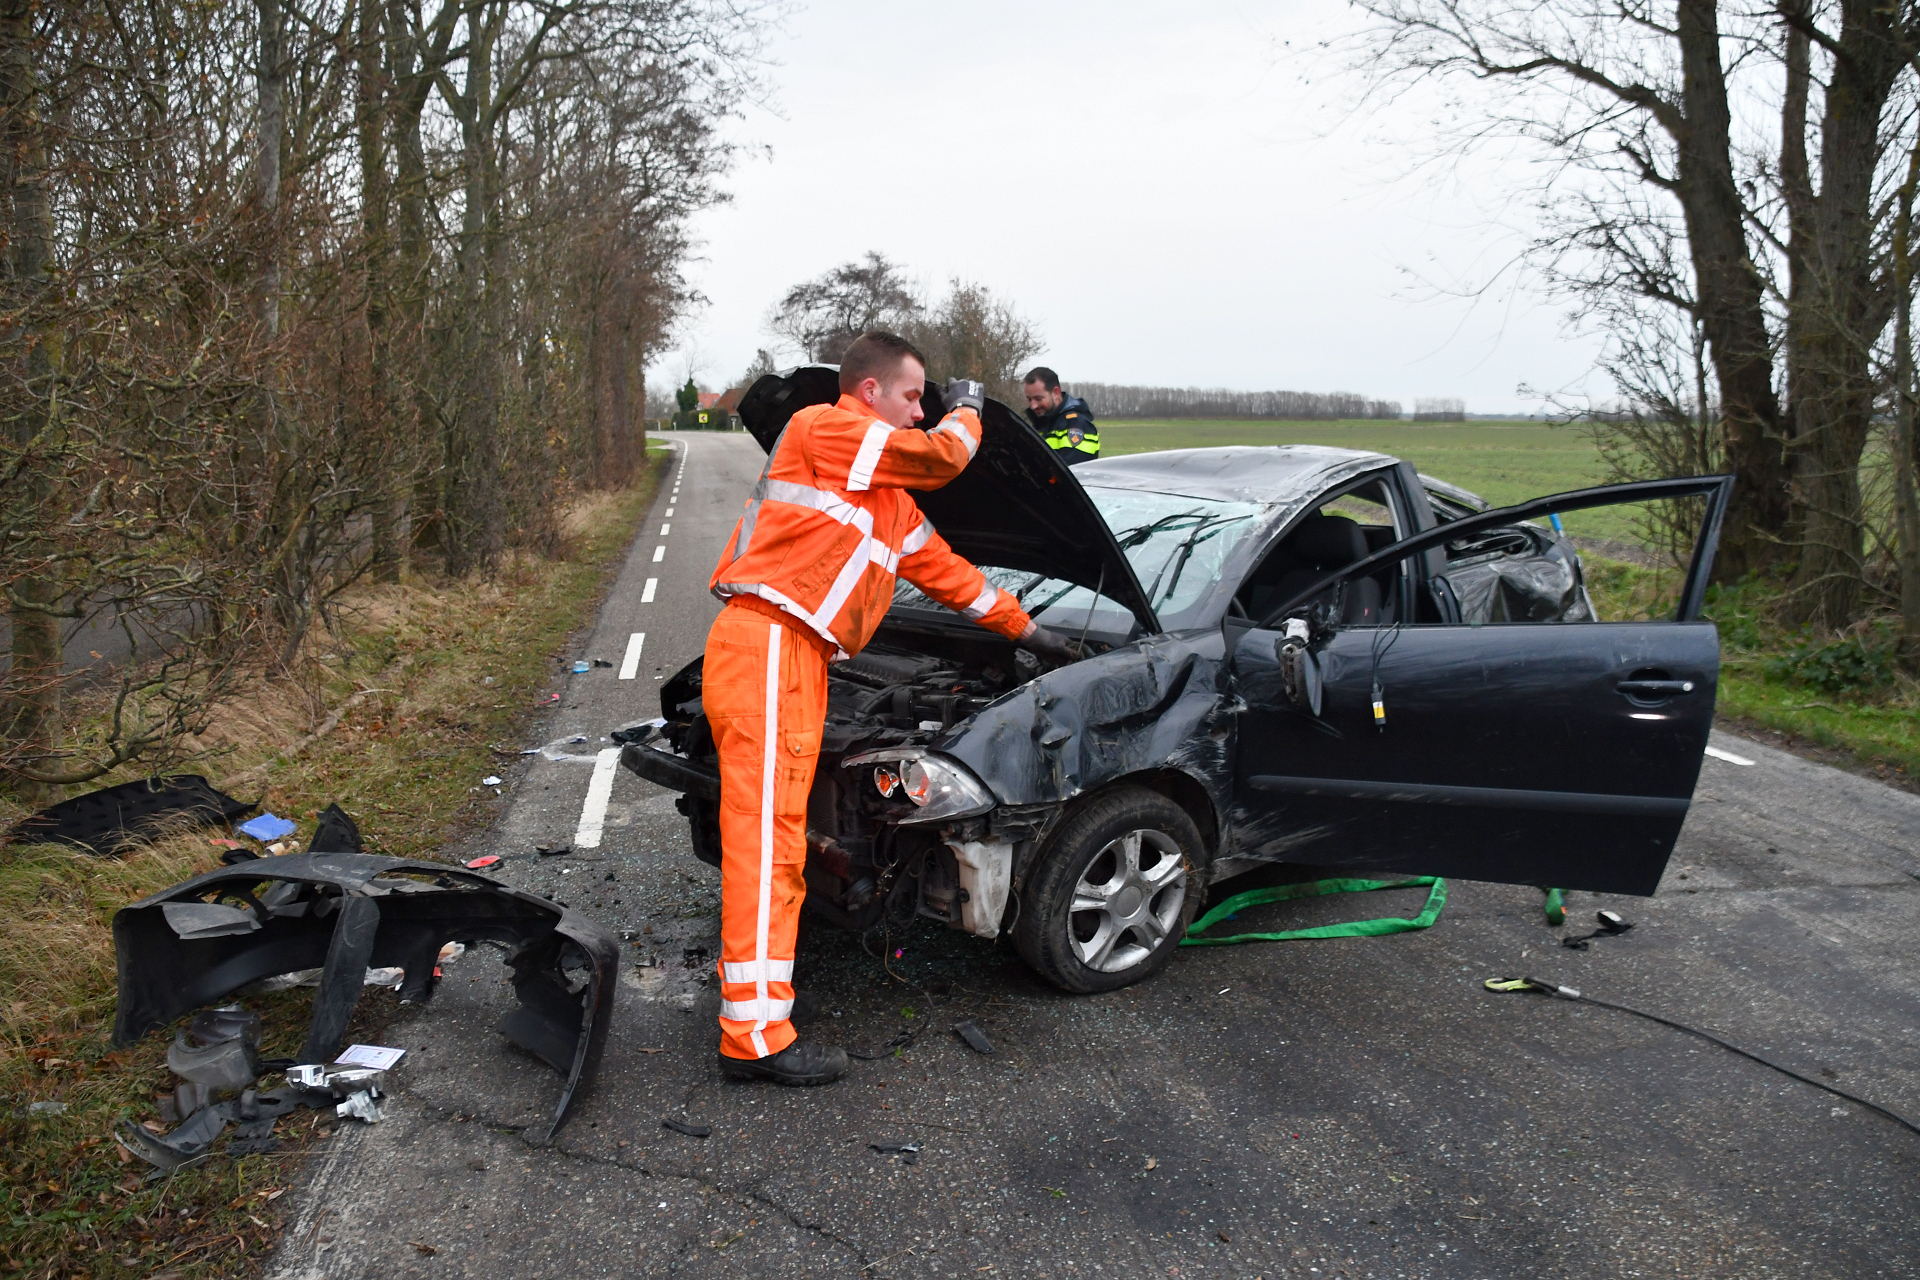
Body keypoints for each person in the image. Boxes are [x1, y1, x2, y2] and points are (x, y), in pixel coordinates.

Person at [702, 332, 1084, 1086]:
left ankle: (761, 1011)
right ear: (869, 392)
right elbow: (942, 456)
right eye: (912, 397)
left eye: (926, 403)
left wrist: (1031, 632)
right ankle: (753, 1038)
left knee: (782, 844)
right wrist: (967, 410)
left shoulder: (890, 505)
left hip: (800, 659)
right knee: (767, 846)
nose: (919, 414)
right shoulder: (821, 427)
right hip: (769, 645)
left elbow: (952, 576)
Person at [1023, 367, 1099, 465]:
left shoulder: (1077, 425)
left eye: (1038, 399)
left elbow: (1071, 471)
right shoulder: (1040, 425)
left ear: (1056, 393)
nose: (1033, 406)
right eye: (1029, 399)